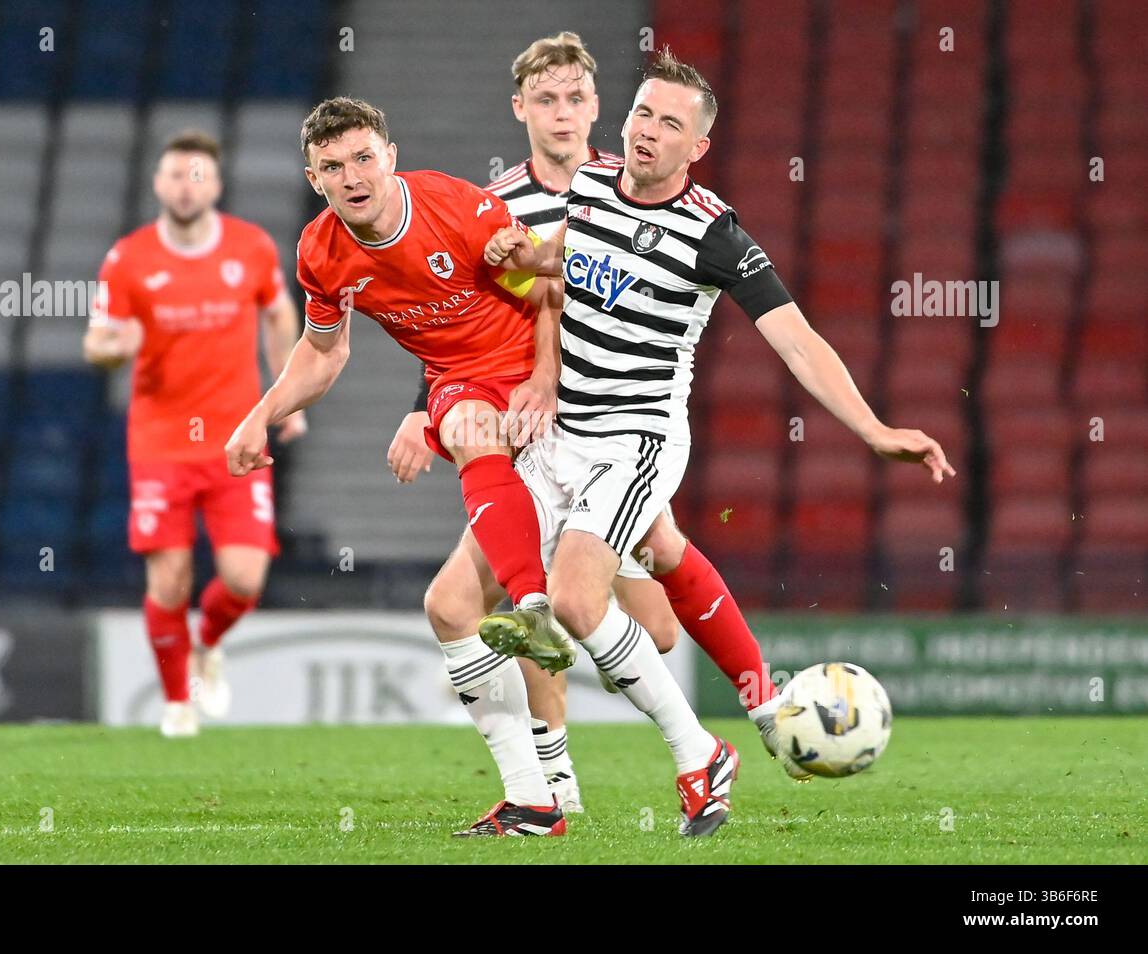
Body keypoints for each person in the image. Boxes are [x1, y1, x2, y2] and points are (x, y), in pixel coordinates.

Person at [481, 49, 956, 835]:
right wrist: (525, 258)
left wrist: (872, 429)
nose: (647, 132)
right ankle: (620, 768)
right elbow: (567, 260)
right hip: (560, 434)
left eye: (671, 123)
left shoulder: (715, 233)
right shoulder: (592, 184)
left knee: (567, 599)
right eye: (642, 113)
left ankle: (690, 753)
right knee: (543, 595)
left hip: (636, 439)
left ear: (697, 146)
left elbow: (798, 340)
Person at [224, 98, 569, 836]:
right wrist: (261, 414)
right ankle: (538, 798)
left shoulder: (456, 206)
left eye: (362, 158)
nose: (352, 176)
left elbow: (549, 288)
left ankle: (705, 737)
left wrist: (544, 382)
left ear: (390, 154)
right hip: (464, 389)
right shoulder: (321, 252)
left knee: (654, 607)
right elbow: (323, 353)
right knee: (449, 610)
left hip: (549, 381)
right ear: (313, 179)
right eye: (332, 167)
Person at [83, 130, 306, 738]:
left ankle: (207, 643)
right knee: (170, 579)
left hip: (236, 438)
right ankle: (178, 701)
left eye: (198, 175)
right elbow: (97, 340)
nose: (186, 186)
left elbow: (281, 314)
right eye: (176, 175)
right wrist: (113, 349)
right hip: (160, 443)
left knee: (244, 578)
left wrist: (285, 402)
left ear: (216, 184)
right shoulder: (128, 258)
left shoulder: (251, 247)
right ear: (158, 183)